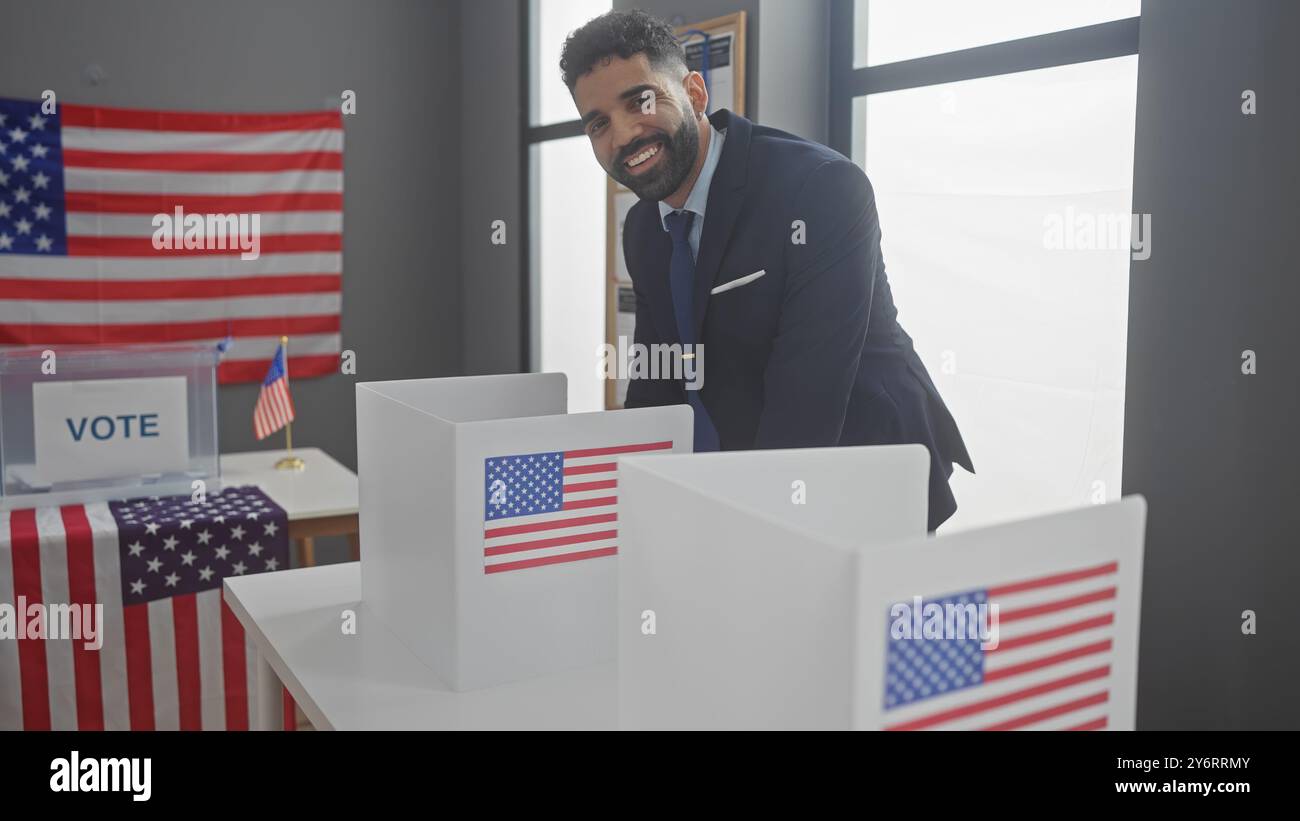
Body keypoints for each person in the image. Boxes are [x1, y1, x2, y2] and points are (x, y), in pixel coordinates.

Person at [561, 10, 973, 531]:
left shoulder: (820, 189)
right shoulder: (643, 227)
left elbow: (808, 402)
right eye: (598, 123)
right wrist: (627, 499)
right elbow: (656, 380)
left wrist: (742, 532)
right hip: (748, 461)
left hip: (867, 465)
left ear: (694, 92)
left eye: (640, 100)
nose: (623, 134)